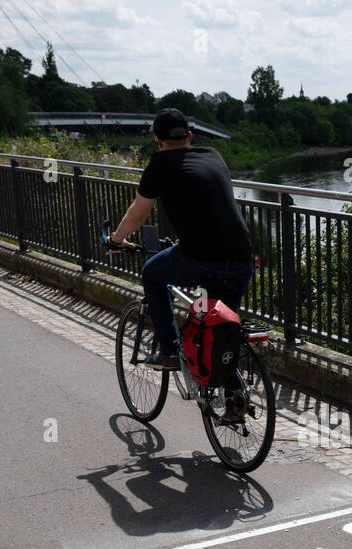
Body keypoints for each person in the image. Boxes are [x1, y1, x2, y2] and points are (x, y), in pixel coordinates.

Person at [106, 108, 253, 418]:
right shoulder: (213, 154)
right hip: (241, 257)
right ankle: (234, 396)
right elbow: (207, 203)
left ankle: (170, 350)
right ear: (190, 136)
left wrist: (117, 239)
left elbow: (138, 213)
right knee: (221, 324)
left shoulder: (158, 165)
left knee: (152, 273)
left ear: (158, 142)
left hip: (201, 259)